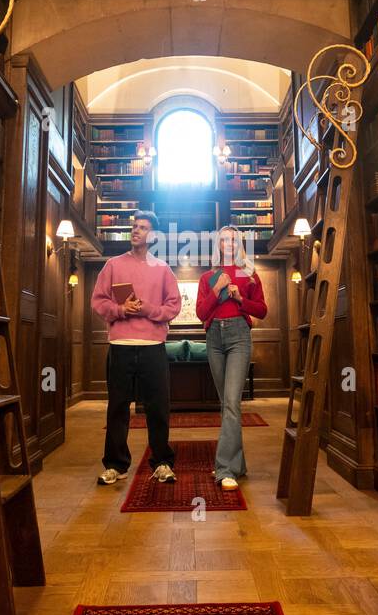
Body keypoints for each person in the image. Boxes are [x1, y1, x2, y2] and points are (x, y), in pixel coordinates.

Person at [90, 210, 182, 486]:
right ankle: (116, 465)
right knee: (117, 408)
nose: (135, 231)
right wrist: (121, 309)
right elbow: (98, 302)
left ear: (152, 235)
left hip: (153, 346)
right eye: (134, 226)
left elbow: (173, 307)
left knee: (158, 408)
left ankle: (162, 462)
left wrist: (145, 308)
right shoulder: (113, 265)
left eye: (142, 227)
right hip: (120, 346)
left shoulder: (163, 269)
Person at [195, 225, 267, 490]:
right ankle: (239, 464)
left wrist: (239, 298)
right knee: (226, 404)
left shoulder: (249, 274)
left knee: (232, 403)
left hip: (238, 336)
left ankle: (225, 469)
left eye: (234, 239)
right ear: (218, 245)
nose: (229, 243)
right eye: (224, 239)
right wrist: (218, 290)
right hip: (214, 338)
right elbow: (202, 314)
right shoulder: (208, 277)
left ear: (240, 244)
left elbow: (262, 310)